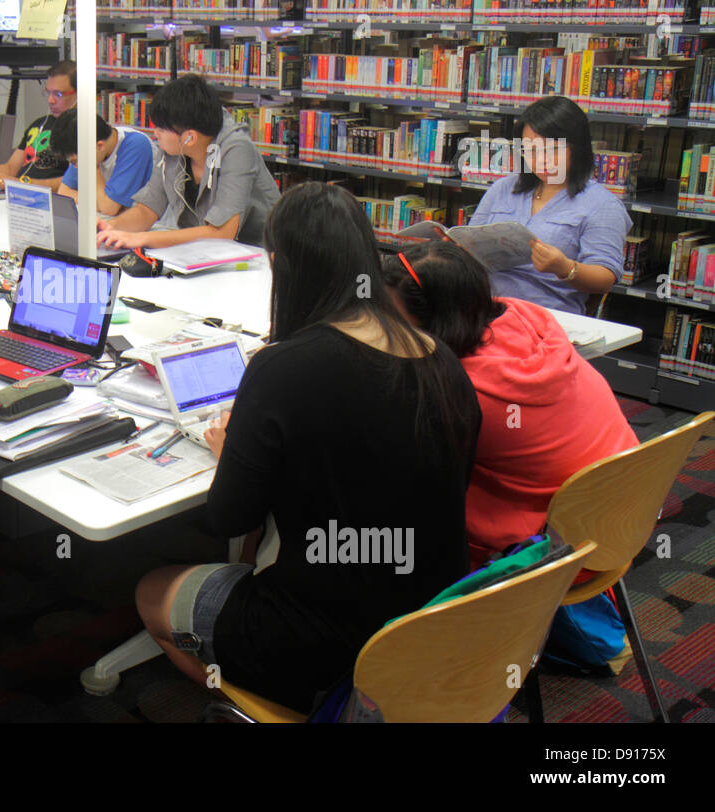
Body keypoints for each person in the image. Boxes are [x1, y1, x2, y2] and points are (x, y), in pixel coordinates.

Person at [134, 183, 481, 712]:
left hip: (326, 634)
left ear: (281, 265)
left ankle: (299, 709)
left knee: (150, 592)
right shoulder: (442, 361)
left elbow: (228, 517)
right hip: (432, 618)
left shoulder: (282, 367)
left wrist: (232, 450)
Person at [383, 240, 637, 668]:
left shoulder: (461, 394)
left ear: (435, 324)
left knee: (379, 524)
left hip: (555, 556)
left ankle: (416, 658)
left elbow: (397, 468)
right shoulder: (525, 317)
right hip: (622, 516)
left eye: (394, 317)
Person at [466, 95, 631, 314]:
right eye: (531, 151)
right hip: (482, 308)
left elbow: (605, 279)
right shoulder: (503, 188)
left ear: (578, 147)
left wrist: (564, 268)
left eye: (552, 150)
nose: (541, 160)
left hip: (545, 316)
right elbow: (469, 242)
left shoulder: (602, 205)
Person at [96, 74, 279, 250]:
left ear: (189, 138)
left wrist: (142, 238)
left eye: (160, 129)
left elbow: (223, 232)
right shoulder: (173, 148)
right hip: (204, 252)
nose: (155, 134)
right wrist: (110, 227)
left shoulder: (237, 150)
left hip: (261, 253)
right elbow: (148, 209)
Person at [0, 59, 76, 190]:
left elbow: (75, 182)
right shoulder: (39, 124)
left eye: (58, 94)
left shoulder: (81, 130)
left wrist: (21, 183)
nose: (50, 100)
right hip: (19, 192)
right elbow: (10, 169)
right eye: (48, 92)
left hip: (46, 199)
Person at [51, 109, 155, 216]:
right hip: (118, 219)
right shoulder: (84, 146)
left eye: (76, 161)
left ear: (100, 146)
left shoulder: (135, 145)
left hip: (155, 224)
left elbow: (109, 208)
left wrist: (93, 166)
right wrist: (98, 202)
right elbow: (64, 192)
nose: (76, 167)